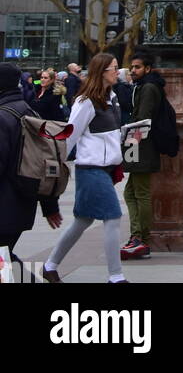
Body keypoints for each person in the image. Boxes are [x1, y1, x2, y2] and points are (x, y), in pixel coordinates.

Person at [42, 52, 129, 285]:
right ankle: (115, 276)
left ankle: (50, 266)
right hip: (91, 168)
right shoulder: (85, 101)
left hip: (102, 167)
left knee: (83, 220)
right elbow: (71, 134)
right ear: (102, 72)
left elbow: (106, 133)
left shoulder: (111, 97)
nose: (118, 72)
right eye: (114, 68)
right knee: (112, 217)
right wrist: (58, 163)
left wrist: (128, 135)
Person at [0, 63, 64, 264]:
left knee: (4, 260)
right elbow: (45, 159)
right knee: (4, 258)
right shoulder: (29, 112)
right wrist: (49, 205)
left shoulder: (3, 116)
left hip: (4, 205)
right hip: (20, 204)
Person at [121, 49, 167, 260]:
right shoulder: (145, 86)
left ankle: (140, 238)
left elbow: (142, 120)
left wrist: (129, 145)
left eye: (137, 67)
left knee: (139, 192)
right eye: (132, 67)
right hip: (139, 145)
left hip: (141, 146)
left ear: (147, 69)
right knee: (131, 192)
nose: (133, 71)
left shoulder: (148, 88)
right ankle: (138, 236)